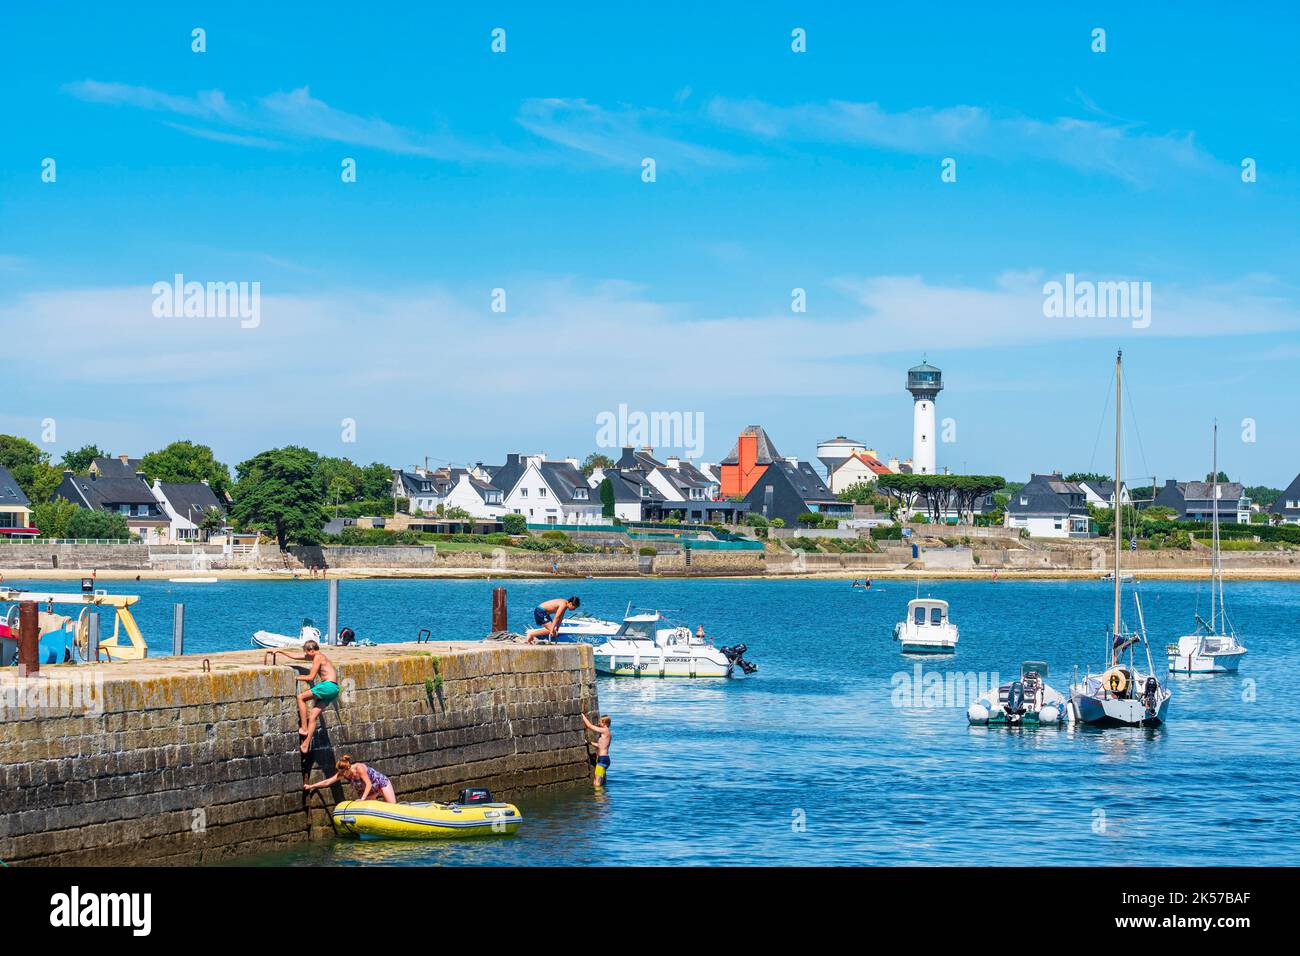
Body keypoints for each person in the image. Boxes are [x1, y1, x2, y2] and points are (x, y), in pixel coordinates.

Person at [272, 640, 340, 753]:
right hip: (334, 689)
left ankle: (304, 728)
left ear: (312, 650)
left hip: (327, 685)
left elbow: (311, 677)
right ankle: (306, 744)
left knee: (300, 697)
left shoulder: (318, 657)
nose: (307, 656)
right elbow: (296, 657)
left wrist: (296, 678)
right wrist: (280, 651)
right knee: (313, 716)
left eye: (308, 653)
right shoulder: (319, 656)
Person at [305, 755, 396, 803]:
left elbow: (368, 784)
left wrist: (362, 799)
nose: (343, 775)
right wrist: (311, 786)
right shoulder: (343, 773)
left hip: (380, 783)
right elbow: (328, 781)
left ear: (348, 768)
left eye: (343, 772)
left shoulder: (359, 768)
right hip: (368, 791)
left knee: (392, 806)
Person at [581, 712, 612, 787]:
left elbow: (589, 726)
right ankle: (603, 797)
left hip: (602, 760)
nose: (598, 723)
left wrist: (582, 716)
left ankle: (599, 798)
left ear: (604, 723)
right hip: (604, 759)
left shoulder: (605, 730)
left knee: (596, 783)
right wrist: (589, 742)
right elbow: (599, 746)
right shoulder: (608, 733)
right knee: (599, 782)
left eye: (600, 722)